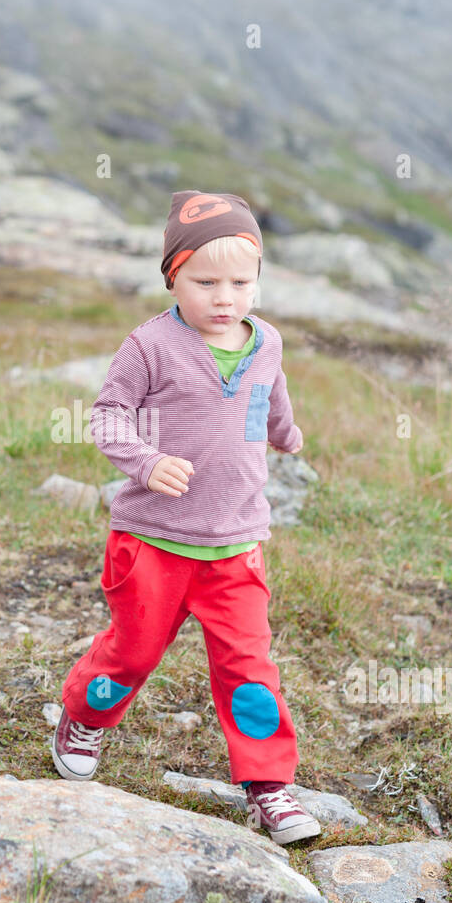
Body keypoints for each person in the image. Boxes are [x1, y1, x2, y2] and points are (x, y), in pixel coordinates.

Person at [53, 190, 321, 845]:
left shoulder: (266, 342)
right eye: (204, 282)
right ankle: (81, 718)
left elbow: (266, 398)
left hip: (235, 542)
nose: (223, 297)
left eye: (240, 281)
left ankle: (268, 785)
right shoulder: (148, 345)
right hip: (152, 540)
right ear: (173, 275)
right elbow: (108, 416)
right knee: (133, 649)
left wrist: (285, 434)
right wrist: (143, 462)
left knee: (248, 667)